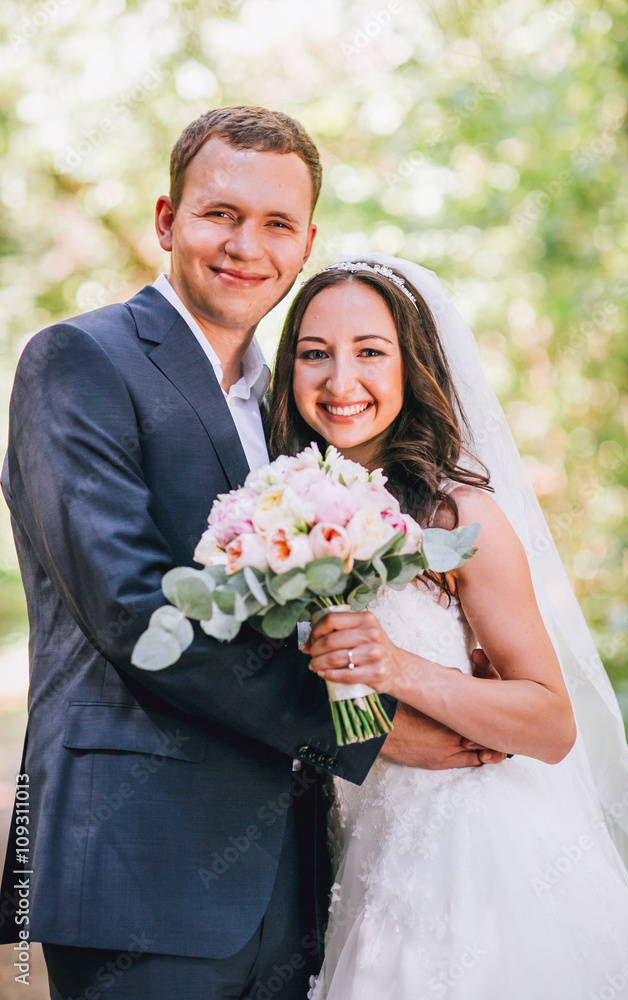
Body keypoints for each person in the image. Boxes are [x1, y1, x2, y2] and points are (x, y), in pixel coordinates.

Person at [0, 109, 506, 1000]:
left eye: (277, 224)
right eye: (219, 214)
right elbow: (132, 608)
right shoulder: (78, 362)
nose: (247, 246)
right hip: (143, 869)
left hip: (299, 876)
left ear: (307, 241)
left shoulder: (294, 404)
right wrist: (369, 733)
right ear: (167, 220)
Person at [269, 254, 628, 999]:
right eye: (314, 353)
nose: (339, 380)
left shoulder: (459, 516)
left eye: (370, 352)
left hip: (474, 854)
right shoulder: (272, 516)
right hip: (358, 848)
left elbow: (550, 722)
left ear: (412, 364)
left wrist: (398, 670)